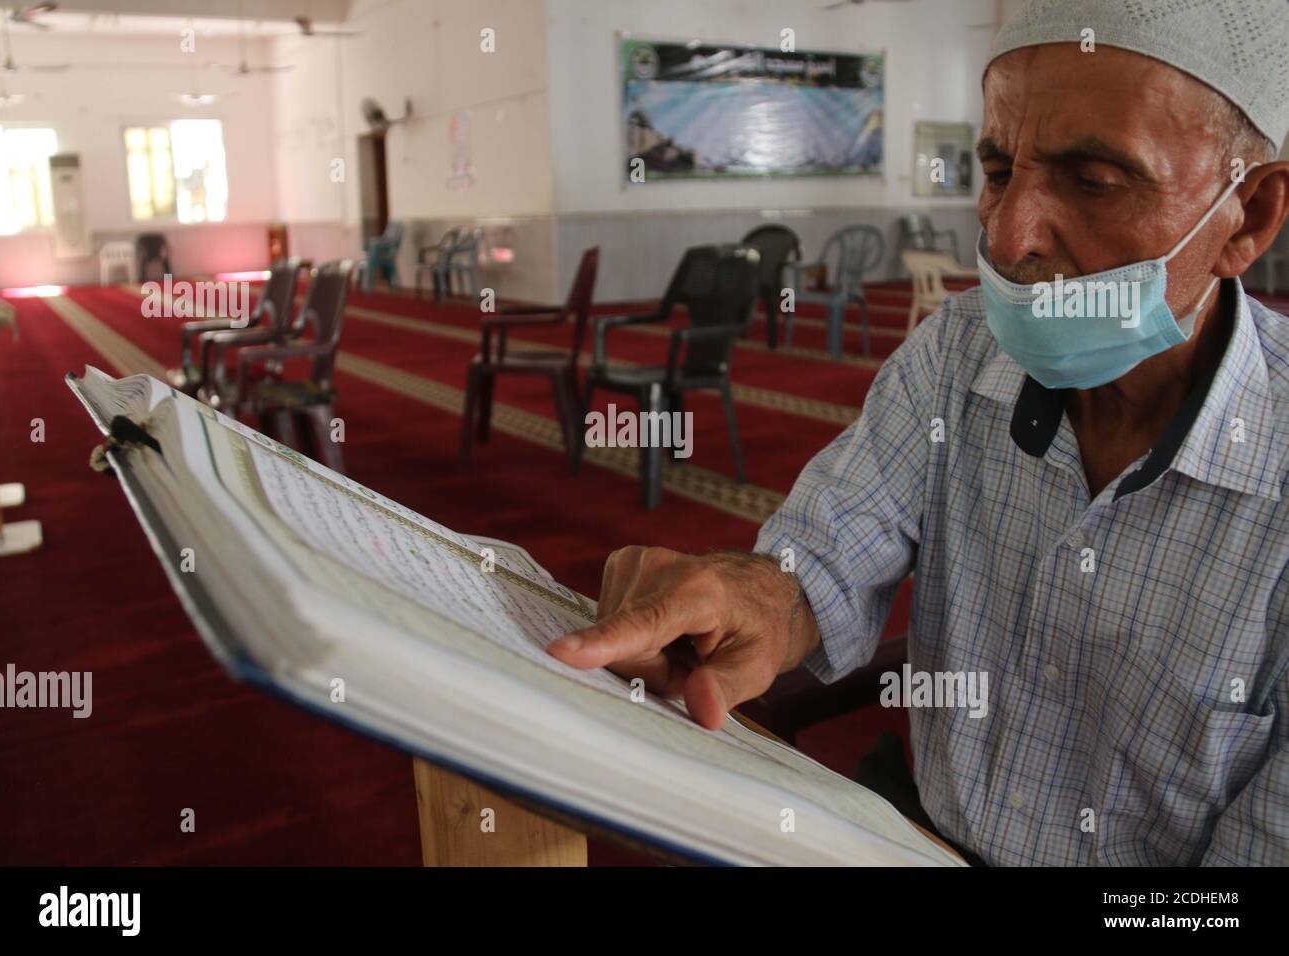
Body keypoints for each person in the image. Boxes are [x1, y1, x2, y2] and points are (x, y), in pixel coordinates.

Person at [548, 0, 1289, 866]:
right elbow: (824, 556)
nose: (1011, 235)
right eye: (999, 166)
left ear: (1251, 214)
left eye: (1094, 180)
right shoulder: (955, 355)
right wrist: (756, 595)